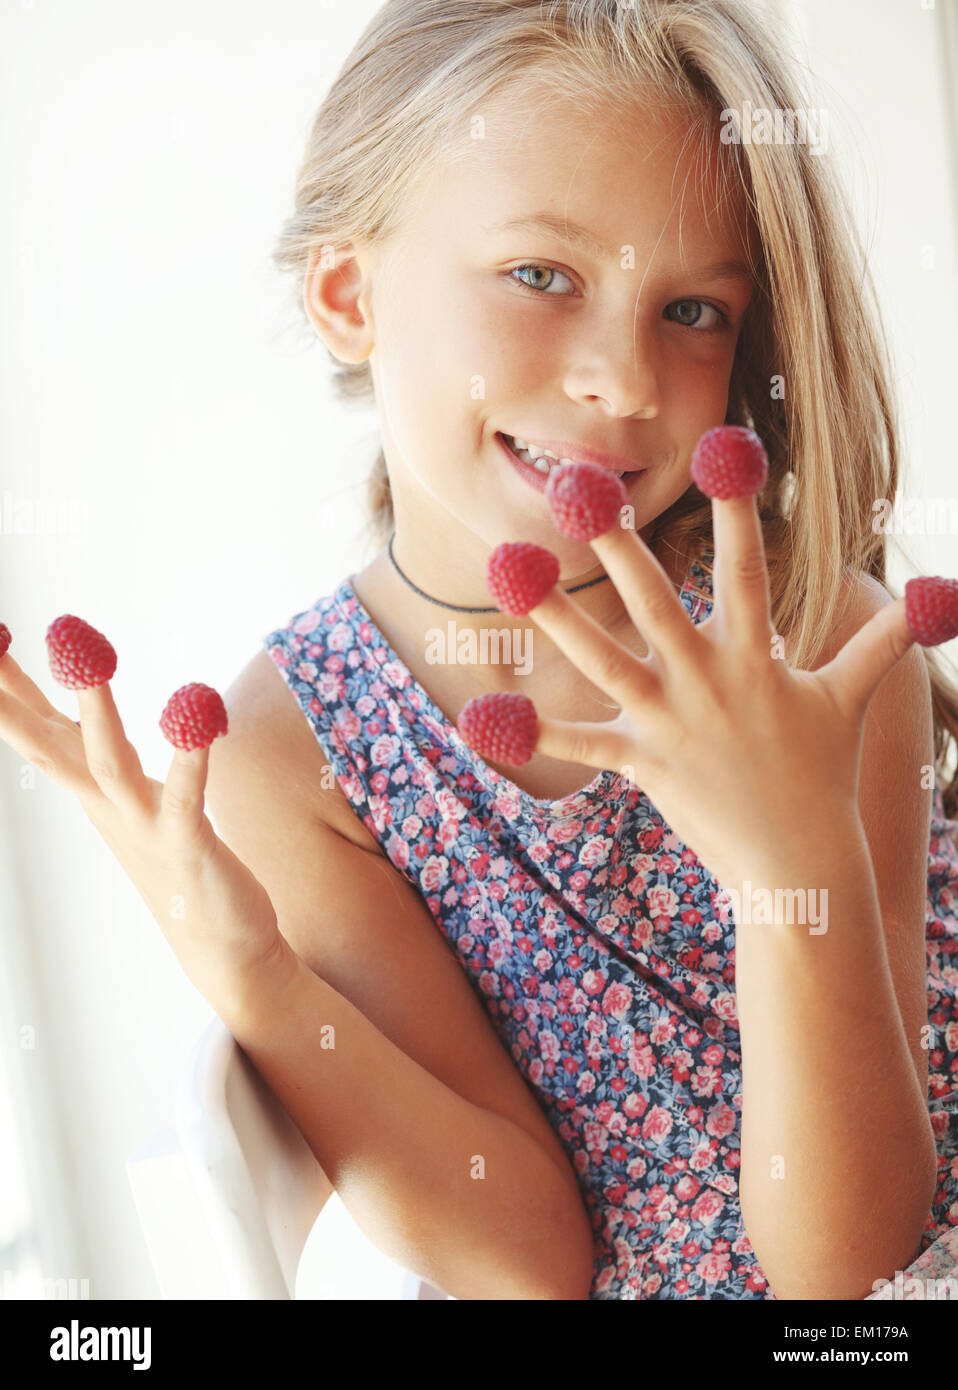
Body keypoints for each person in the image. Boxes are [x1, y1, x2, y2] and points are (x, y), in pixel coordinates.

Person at [2, 0, 957, 1301]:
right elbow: (524, 1261)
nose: (621, 380)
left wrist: (787, 862)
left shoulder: (814, 646)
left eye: (690, 309)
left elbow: (851, 1270)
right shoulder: (289, 755)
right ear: (348, 295)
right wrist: (247, 968)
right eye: (540, 275)